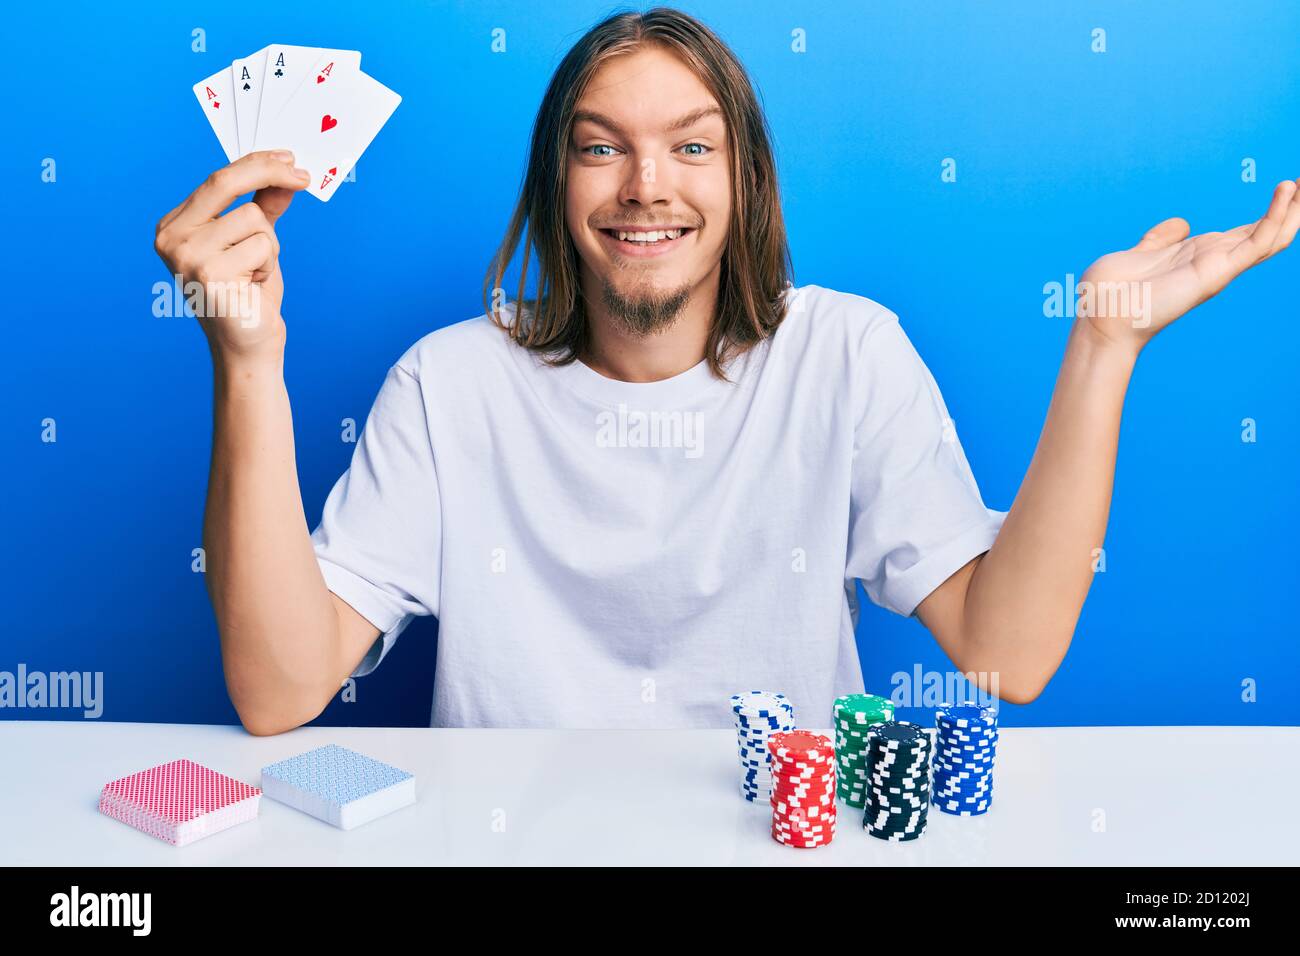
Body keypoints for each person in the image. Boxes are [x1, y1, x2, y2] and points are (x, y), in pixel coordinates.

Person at [152, 8, 1298, 733]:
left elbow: (1005, 653)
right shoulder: (448, 382)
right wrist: (246, 363)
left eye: (691, 146)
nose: (647, 184)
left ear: (742, 179)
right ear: (557, 184)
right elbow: (280, 687)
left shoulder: (846, 352)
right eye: (601, 147)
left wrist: (1101, 343)